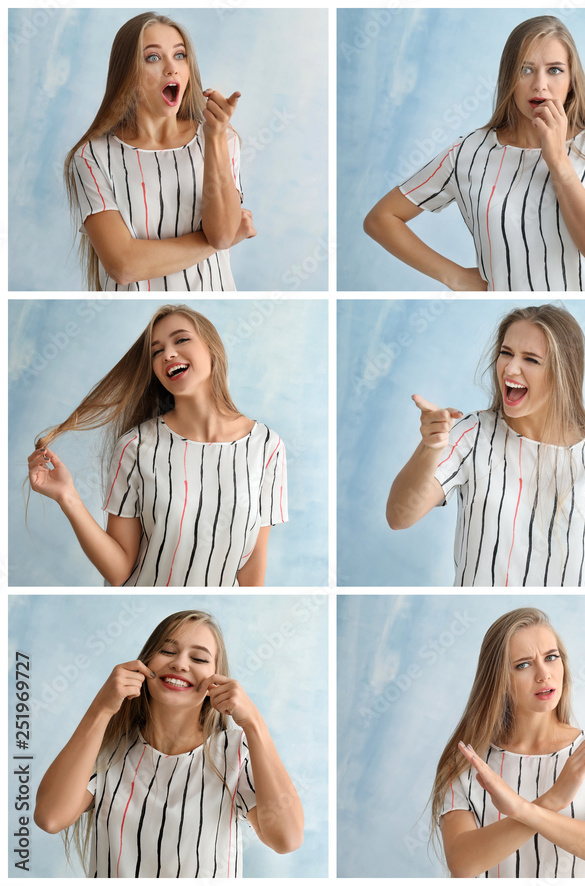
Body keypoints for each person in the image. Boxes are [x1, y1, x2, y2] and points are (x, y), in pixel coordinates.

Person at [27, 304, 287, 586]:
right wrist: (68, 498)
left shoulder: (267, 446)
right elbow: (119, 571)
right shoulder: (136, 447)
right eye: (156, 351)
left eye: (181, 339)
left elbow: (253, 561)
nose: (168, 354)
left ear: (213, 349)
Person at [364, 15, 585, 291]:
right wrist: (455, 277)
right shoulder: (468, 152)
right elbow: (381, 219)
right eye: (526, 69)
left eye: (555, 70)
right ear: (509, 78)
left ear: (572, 80)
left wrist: (559, 161)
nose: (540, 85)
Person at [34, 610, 303, 876]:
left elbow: (286, 839)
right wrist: (100, 709)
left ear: (216, 679)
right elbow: (50, 817)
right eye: (167, 651)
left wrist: (255, 724)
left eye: (198, 658)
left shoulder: (234, 752)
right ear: (145, 663)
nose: (180, 664)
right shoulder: (107, 750)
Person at [386, 304, 585, 586]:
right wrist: (430, 447)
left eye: (531, 360)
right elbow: (399, 517)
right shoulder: (472, 434)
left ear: (563, 375)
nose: (510, 368)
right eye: (506, 353)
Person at [430, 608, 585, 877]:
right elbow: (462, 864)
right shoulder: (466, 764)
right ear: (499, 680)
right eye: (523, 665)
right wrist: (552, 800)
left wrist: (523, 810)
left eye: (551, 658)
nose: (544, 674)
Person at [65, 11, 256, 291]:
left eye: (180, 55)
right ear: (126, 74)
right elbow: (123, 265)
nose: (172, 68)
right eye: (153, 57)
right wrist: (219, 241)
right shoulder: (90, 157)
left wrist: (214, 136)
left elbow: (222, 234)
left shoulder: (222, 140)